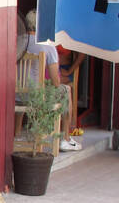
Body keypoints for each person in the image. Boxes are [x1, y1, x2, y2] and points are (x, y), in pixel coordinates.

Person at [24, 10, 78, 151]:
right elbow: (55, 82)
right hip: (36, 96)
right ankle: (65, 138)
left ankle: (17, 133)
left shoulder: (17, 41)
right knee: (66, 90)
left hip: (16, 94)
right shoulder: (47, 46)